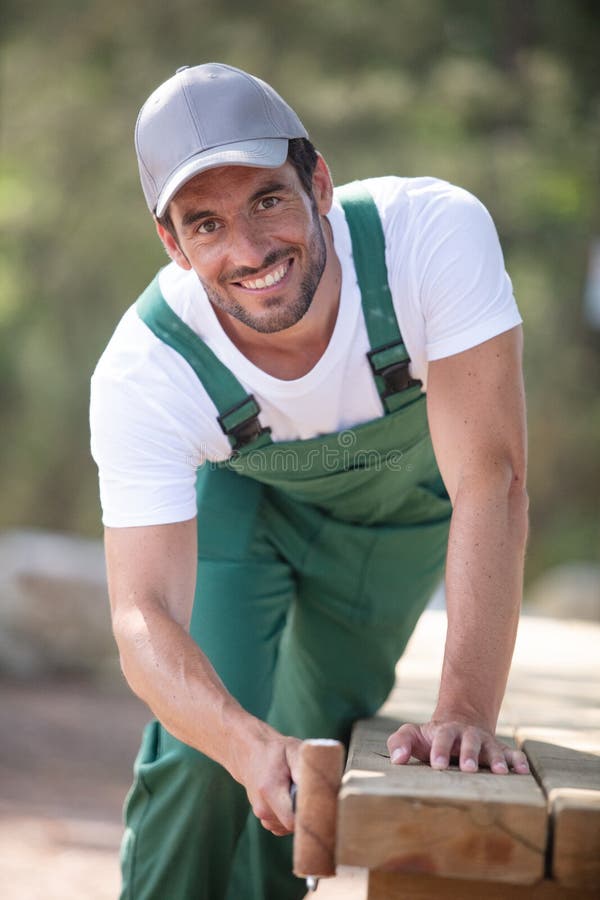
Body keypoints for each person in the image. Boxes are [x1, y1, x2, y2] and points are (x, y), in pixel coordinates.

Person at [90, 62, 530, 900]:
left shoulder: (429, 237)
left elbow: (492, 482)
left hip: (391, 531)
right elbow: (140, 614)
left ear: (318, 180)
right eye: (206, 224)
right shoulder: (146, 371)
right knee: (207, 758)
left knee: (306, 769)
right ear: (172, 245)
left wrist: (466, 712)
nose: (250, 251)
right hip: (240, 514)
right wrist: (241, 741)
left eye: (266, 199)